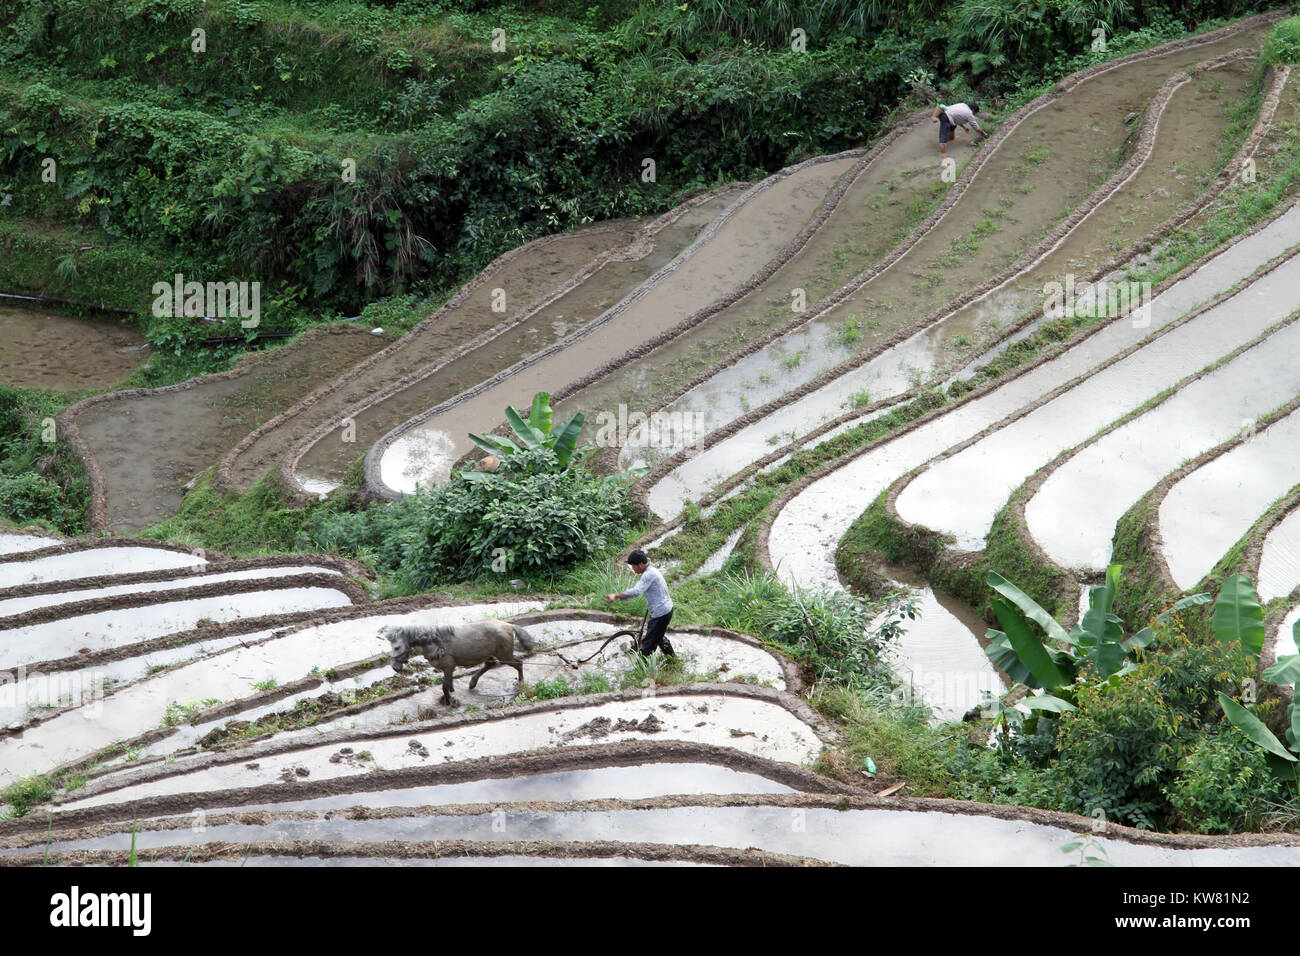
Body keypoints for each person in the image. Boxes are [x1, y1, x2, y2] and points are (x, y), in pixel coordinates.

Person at [605, 549, 674, 657]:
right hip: (665, 610)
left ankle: (640, 669)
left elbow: (636, 591)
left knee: (647, 645)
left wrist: (616, 595)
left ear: (641, 564)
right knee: (659, 637)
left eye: (633, 566)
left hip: (661, 613)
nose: (633, 569)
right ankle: (672, 660)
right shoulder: (652, 571)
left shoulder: (648, 575)